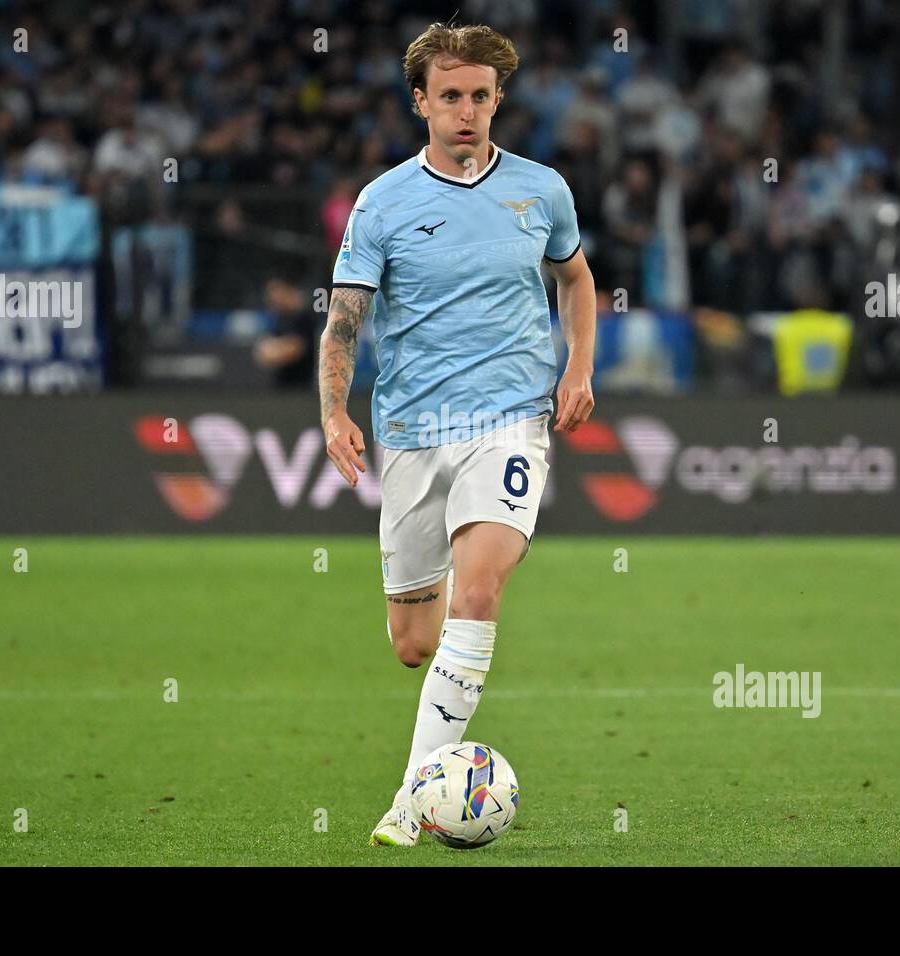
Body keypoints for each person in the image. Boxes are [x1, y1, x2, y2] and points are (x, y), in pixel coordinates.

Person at [318, 21, 596, 846]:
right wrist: (334, 410)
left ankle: (413, 803)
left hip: (509, 422)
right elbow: (344, 320)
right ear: (421, 103)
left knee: (481, 590)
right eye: (451, 97)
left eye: (480, 95)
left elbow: (576, 280)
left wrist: (578, 367)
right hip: (410, 431)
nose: (467, 111)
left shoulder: (541, 191)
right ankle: (441, 739)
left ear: (497, 99)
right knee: (414, 642)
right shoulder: (383, 202)